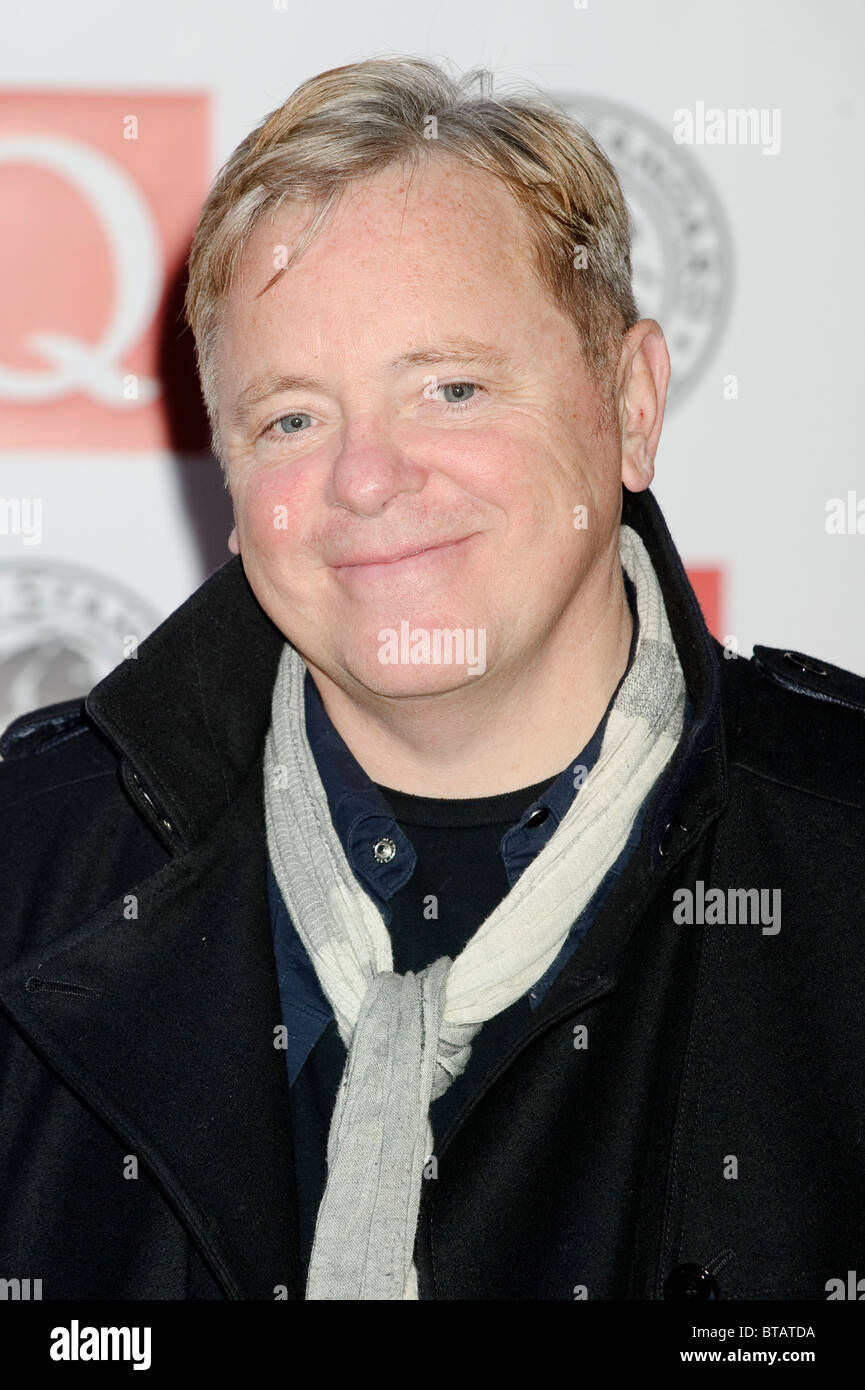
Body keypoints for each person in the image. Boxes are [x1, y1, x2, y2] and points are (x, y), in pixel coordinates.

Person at [1, 55, 863, 1303]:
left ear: (629, 405)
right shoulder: (32, 865)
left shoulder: (838, 856)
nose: (365, 480)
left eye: (450, 389)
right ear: (232, 484)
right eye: (291, 418)